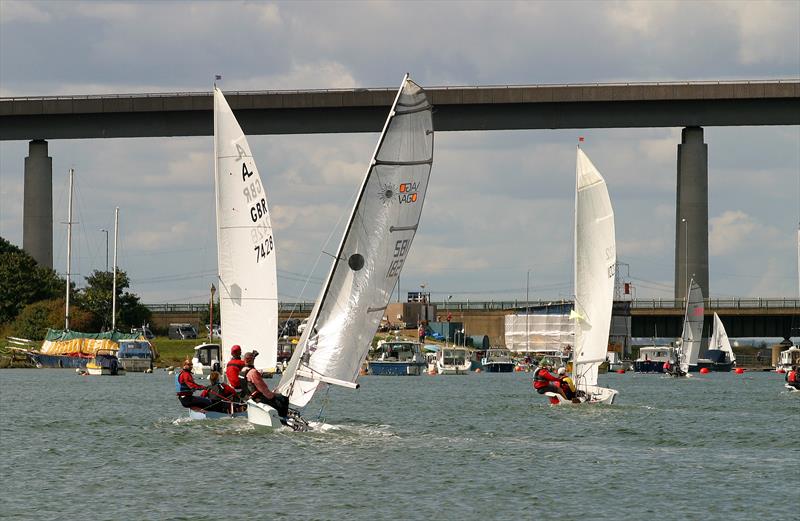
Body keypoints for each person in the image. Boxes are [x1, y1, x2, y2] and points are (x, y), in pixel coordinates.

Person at [243, 351, 289, 417]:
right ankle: (283, 418)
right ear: (252, 360)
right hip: (259, 398)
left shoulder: (243, 370)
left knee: (278, 397)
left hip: (251, 397)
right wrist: (272, 395)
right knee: (283, 399)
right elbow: (263, 389)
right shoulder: (253, 372)